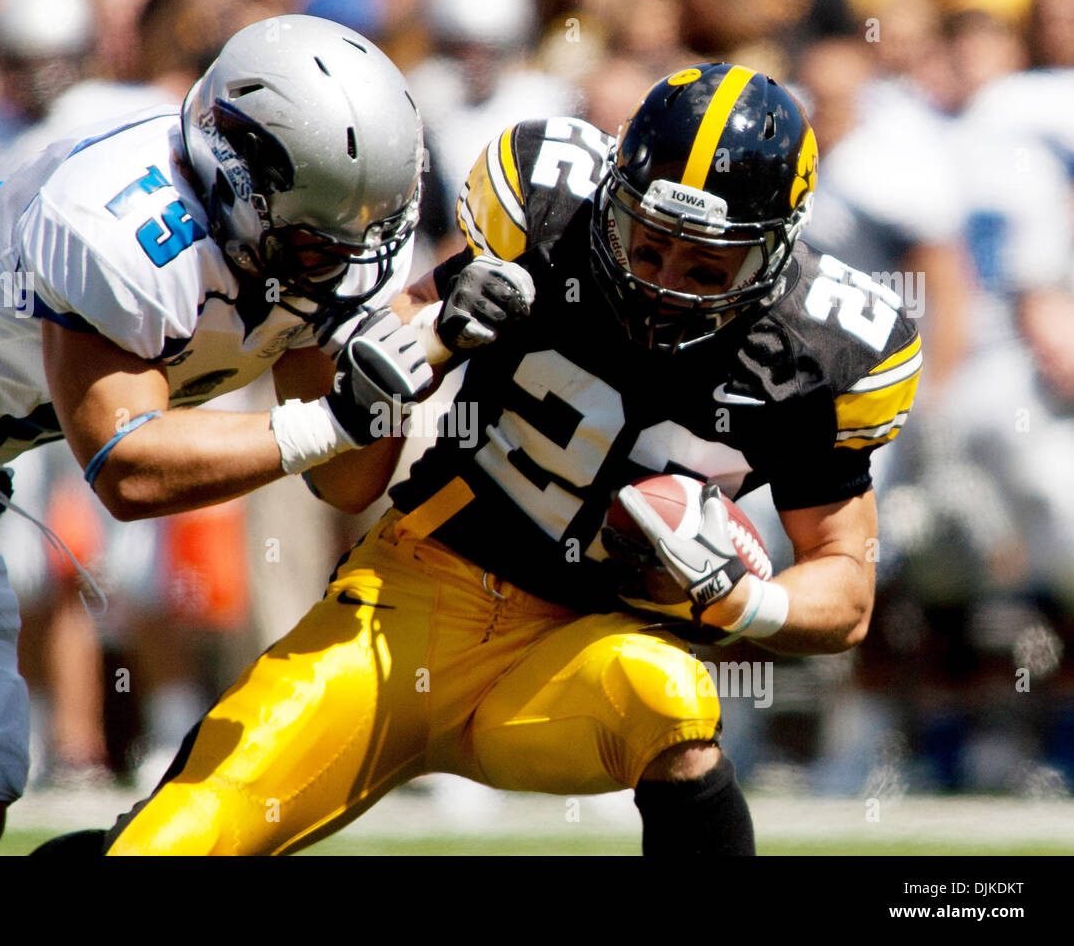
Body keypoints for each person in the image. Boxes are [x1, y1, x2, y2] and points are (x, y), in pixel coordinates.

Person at [48, 62, 923, 856]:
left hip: (580, 651)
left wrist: (740, 601)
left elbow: (844, 589)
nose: (662, 280)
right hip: (413, 599)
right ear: (612, 195)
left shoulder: (824, 349)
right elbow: (346, 474)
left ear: (772, 256)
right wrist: (428, 336)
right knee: (167, 846)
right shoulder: (543, 217)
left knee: (671, 696)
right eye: (647, 244)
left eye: (704, 266)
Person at [0, 14, 431, 855]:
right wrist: (334, 419)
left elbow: (343, 480)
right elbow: (129, 468)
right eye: (313, 243)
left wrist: (426, 333)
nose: (341, 267)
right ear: (238, 179)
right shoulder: (123, 221)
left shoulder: (307, 242)